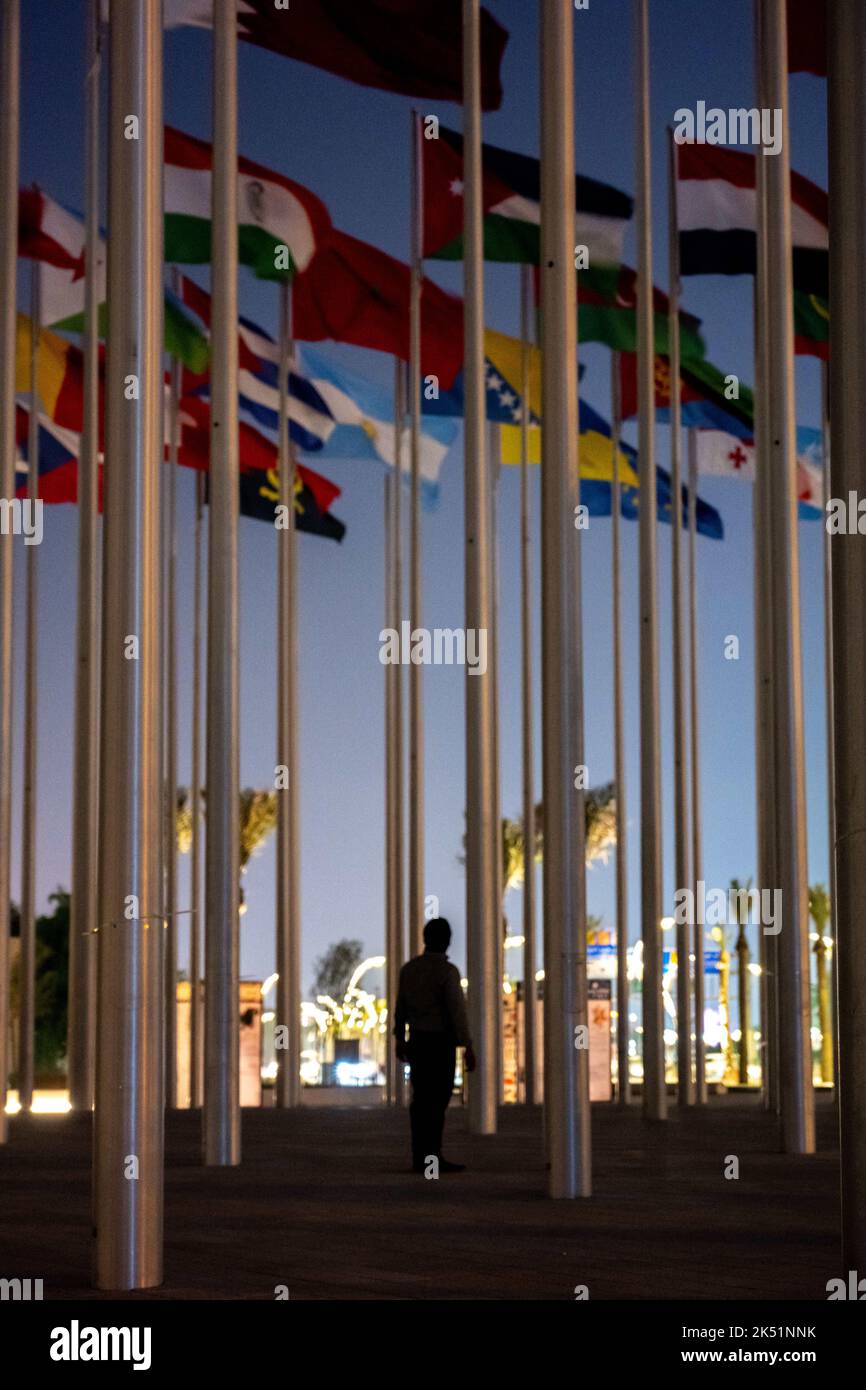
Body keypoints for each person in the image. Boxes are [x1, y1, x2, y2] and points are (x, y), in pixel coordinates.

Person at [393, 917, 476, 1174]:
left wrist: (400, 1038)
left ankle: (421, 1156)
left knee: (421, 1101)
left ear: (424, 938)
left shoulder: (409, 970)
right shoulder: (448, 973)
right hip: (441, 1044)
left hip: (418, 1041)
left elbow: (400, 1009)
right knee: (438, 1101)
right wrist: (468, 1046)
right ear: (448, 941)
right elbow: (457, 1012)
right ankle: (433, 1157)